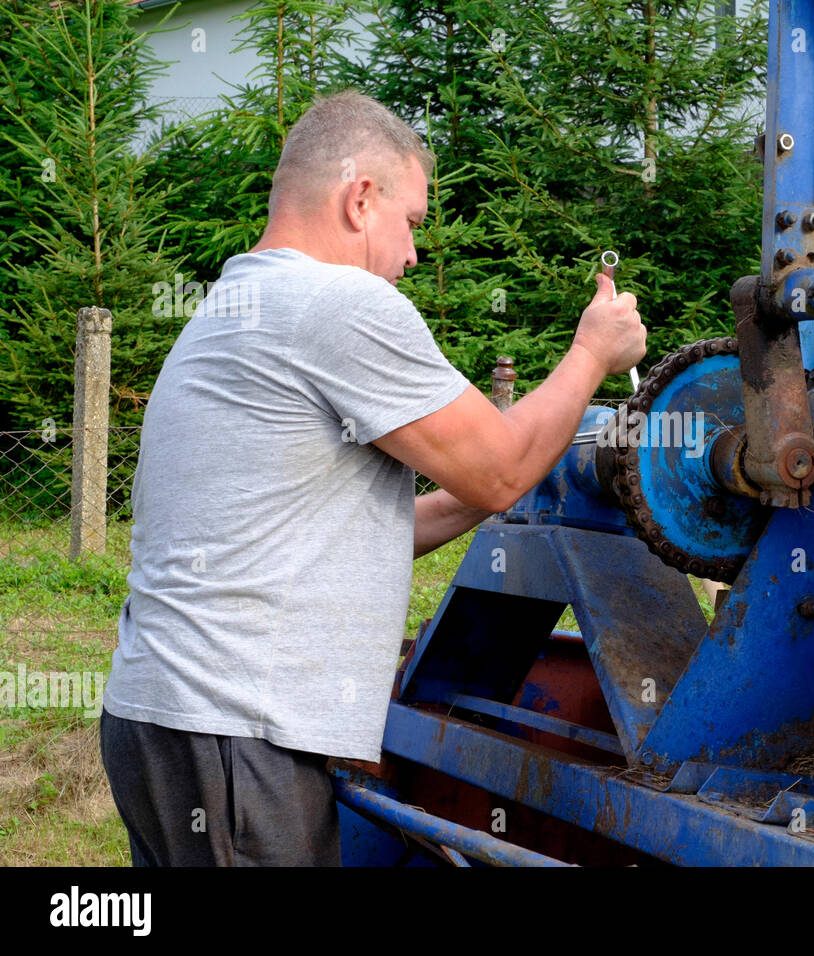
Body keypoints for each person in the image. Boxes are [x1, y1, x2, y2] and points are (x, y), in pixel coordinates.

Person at [98, 90, 646, 866]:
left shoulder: (235, 303)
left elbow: (361, 523)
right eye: (413, 222)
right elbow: (496, 467)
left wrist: (517, 476)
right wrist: (591, 354)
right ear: (360, 199)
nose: (414, 253)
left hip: (162, 722)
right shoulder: (337, 301)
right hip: (238, 735)